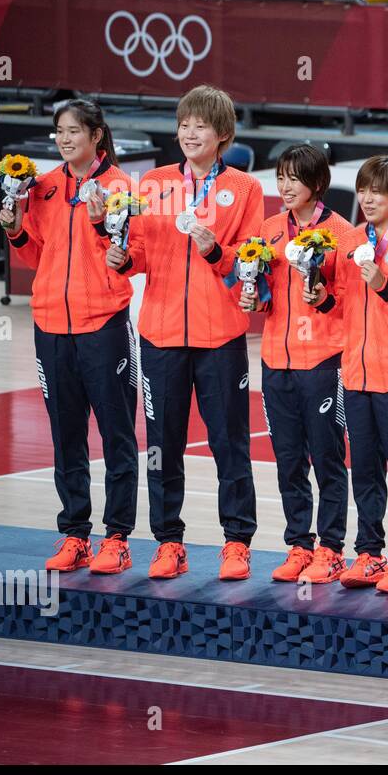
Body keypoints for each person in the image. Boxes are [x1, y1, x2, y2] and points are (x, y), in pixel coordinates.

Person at [106, 84, 264, 580]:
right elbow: (141, 253)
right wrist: (124, 259)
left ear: (222, 134)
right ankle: (168, 542)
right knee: (161, 442)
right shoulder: (151, 182)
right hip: (160, 333)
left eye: (200, 126)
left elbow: (251, 266)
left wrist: (217, 251)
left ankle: (236, 543)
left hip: (220, 336)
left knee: (229, 442)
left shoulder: (244, 188)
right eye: (184, 124)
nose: (189, 133)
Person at [1, 99, 139, 575]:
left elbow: (126, 253)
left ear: (96, 135)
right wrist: (16, 230)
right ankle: (75, 535)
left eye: (73, 131)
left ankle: (117, 538)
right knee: (65, 436)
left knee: (117, 434)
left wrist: (103, 223)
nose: (64, 139)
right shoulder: (41, 187)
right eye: (59, 131)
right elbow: (38, 257)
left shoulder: (120, 187)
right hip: (50, 327)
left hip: (102, 324)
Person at [319, 157, 388, 594]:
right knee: (364, 470)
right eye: (363, 190)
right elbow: (346, 306)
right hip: (357, 373)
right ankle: (369, 552)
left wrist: (383, 284)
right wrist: (323, 299)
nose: (367, 198)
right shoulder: (350, 241)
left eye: (378, 192)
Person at [244, 144, 356, 585]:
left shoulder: (343, 234)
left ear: (317, 183)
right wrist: (254, 297)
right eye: (281, 177)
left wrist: (325, 298)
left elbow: (352, 303)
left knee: (327, 458)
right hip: (276, 360)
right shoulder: (269, 230)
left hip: (324, 362)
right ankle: (299, 545)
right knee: (289, 459)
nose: (285, 186)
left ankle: (330, 549)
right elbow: (264, 290)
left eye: (295, 178)